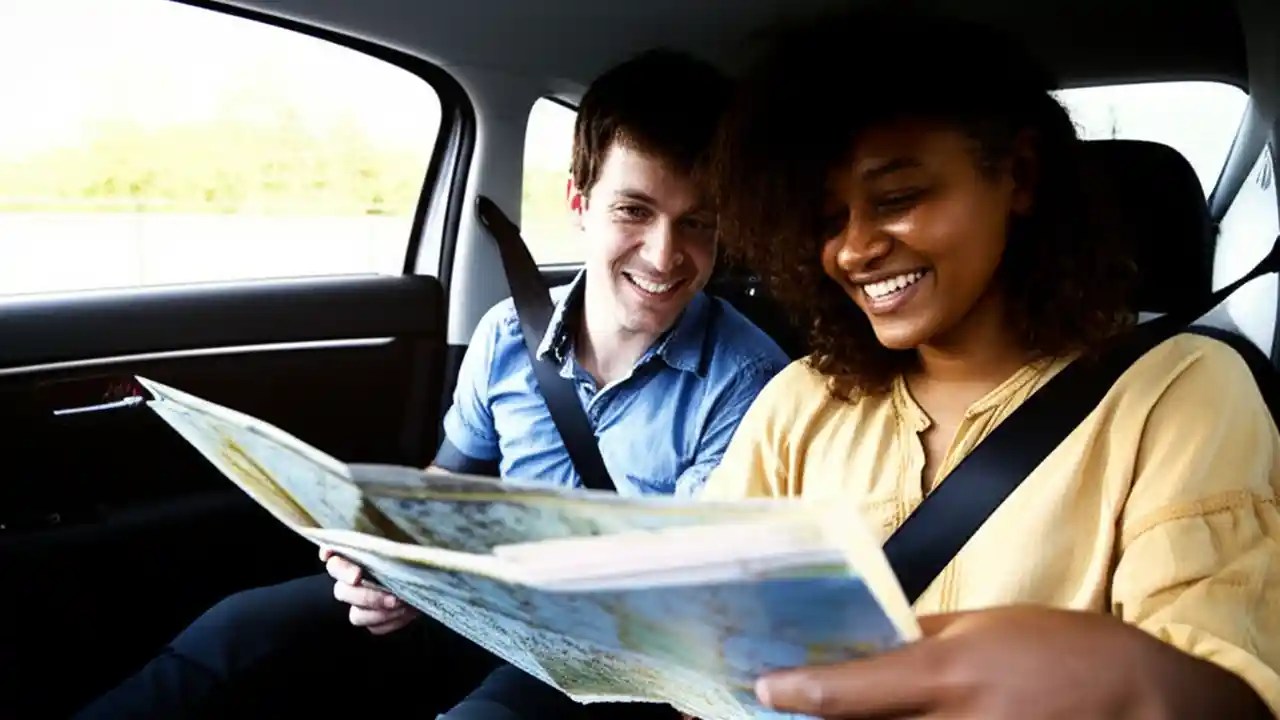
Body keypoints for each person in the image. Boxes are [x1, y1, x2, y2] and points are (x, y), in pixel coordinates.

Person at [77, 48, 788, 720]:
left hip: (614, 652)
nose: (666, 254)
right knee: (238, 630)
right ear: (579, 203)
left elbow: (689, 598)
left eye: (697, 223)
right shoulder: (508, 336)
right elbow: (445, 481)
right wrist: (389, 562)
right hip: (481, 600)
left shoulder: (751, 383)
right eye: (634, 211)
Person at [698, 11, 1280, 720]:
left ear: (1020, 177)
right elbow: (707, 645)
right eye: (826, 221)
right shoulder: (800, 402)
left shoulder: (1180, 394)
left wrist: (1135, 682)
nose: (853, 250)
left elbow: (1226, 682)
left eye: (898, 199)